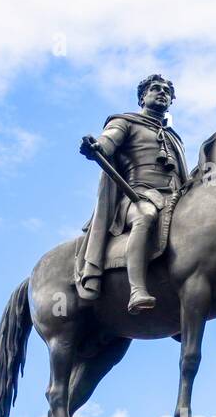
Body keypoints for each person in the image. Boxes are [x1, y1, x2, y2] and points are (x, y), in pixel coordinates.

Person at [77, 74, 189, 314]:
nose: (162, 93)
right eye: (155, 89)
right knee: (146, 216)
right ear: (142, 97)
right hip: (136, 196)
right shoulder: (125, 122)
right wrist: (98, 147)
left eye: (166, 91)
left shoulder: (174, 138)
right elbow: (108, 142)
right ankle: (137, 289)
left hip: (174, 199)